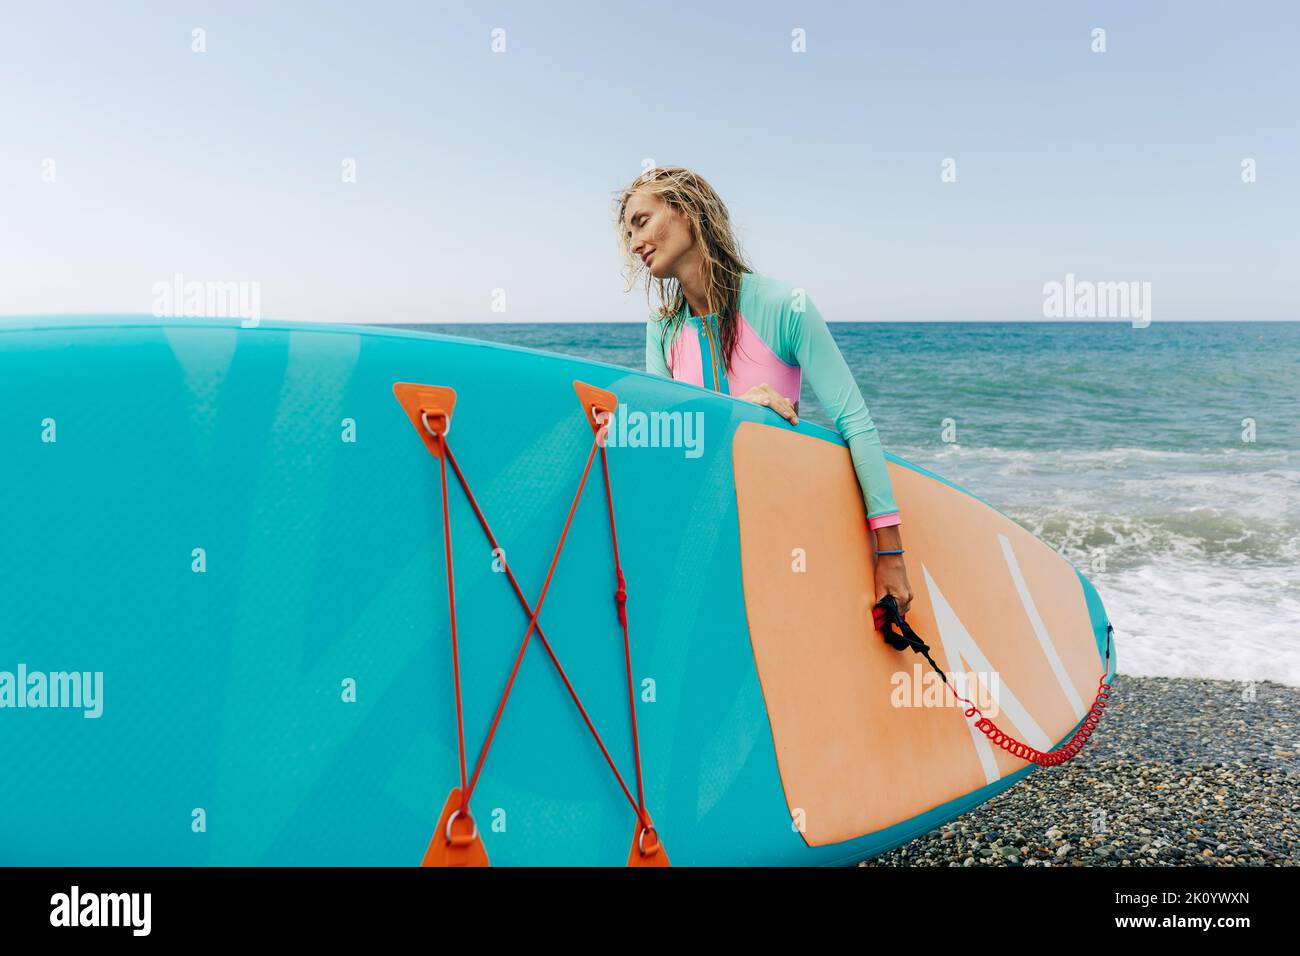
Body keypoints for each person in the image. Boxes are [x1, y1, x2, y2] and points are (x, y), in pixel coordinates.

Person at [615, 166, 913, 615]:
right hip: (698, 542)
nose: (635, 242)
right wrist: (734, 412)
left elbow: (855, 424)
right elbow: (666, 441)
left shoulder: (783, 306)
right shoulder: (662, 329)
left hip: (782, 539)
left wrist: (889, 555)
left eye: (643, 221)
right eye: (628, 231)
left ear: (690, 211)